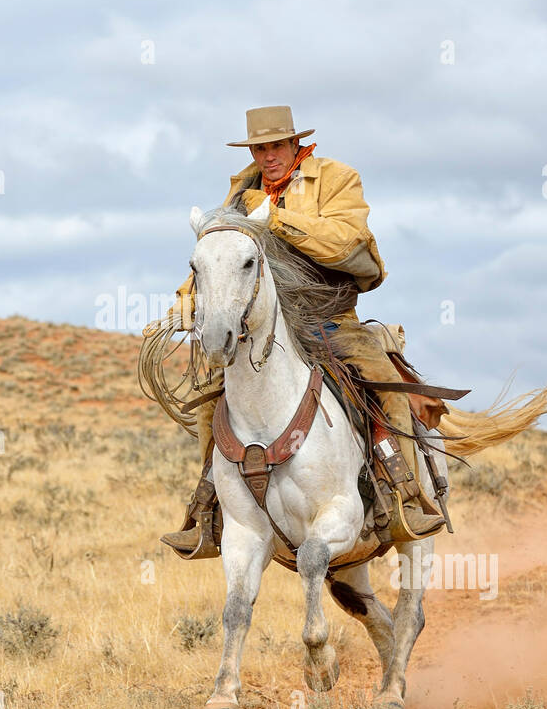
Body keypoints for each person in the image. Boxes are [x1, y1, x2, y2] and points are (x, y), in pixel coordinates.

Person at [161, 104, 445, 557]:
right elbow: (222, 255)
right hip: (265, 326)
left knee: (382, 382)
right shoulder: (243, 188)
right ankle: (209, 510)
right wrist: (184, 304)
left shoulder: (336, 178)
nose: (268, 155)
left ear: (296, 143)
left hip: (329, 319)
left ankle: (404, 496)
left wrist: (274, 218)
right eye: (259, 147)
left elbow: (346, 241)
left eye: (276, 145)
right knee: (209, 399)